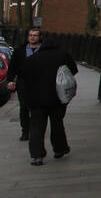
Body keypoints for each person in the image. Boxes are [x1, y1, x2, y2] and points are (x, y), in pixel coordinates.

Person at [19, 35, 78, 166]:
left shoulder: (32, 59)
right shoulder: (62, 56)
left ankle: (37, 155)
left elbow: (23, 77)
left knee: (36, 127)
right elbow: (73, 70)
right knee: (57, 124)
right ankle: (59, 149)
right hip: (57, 97)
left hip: (36, 99)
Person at [6, 27, 43, 141]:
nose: (32, 37)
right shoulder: (19, 51)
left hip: (39, 83)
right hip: (23, 83)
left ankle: (36, 130)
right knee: (24, 108)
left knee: (37, 108)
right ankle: (25, 131)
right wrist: (10, 80)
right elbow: (12, 67)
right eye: (30, 35)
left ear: (40, 37)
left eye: (35, 35)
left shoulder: (43, 51)